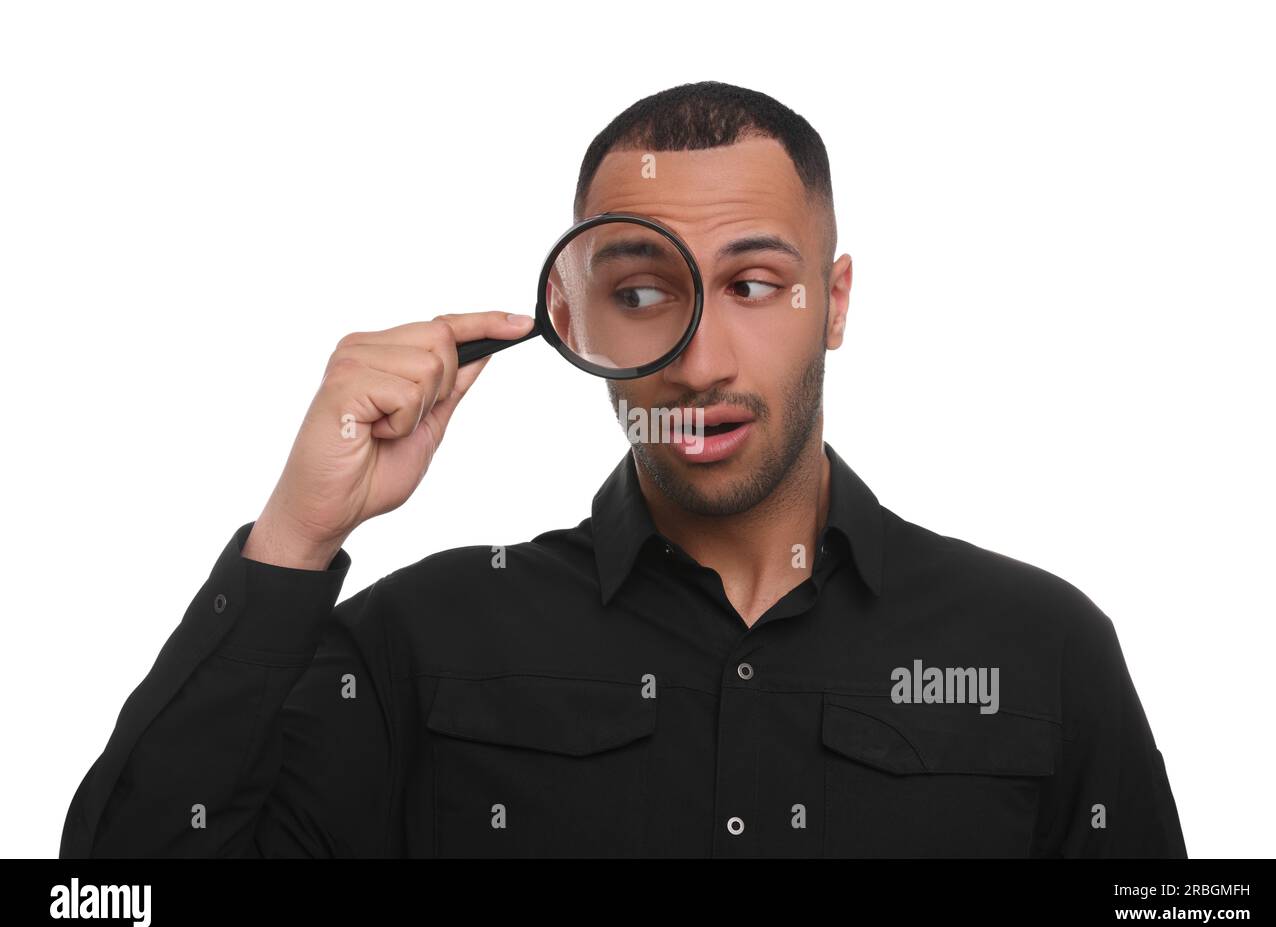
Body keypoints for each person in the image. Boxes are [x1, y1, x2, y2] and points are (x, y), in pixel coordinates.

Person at [59, 81, 1187, 858]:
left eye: (751, 286)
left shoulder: (1040, 649)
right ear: (568, 315)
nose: (698, 362)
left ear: (831, 305)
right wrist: (292, 544)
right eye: (642, 294)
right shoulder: (418, 647)